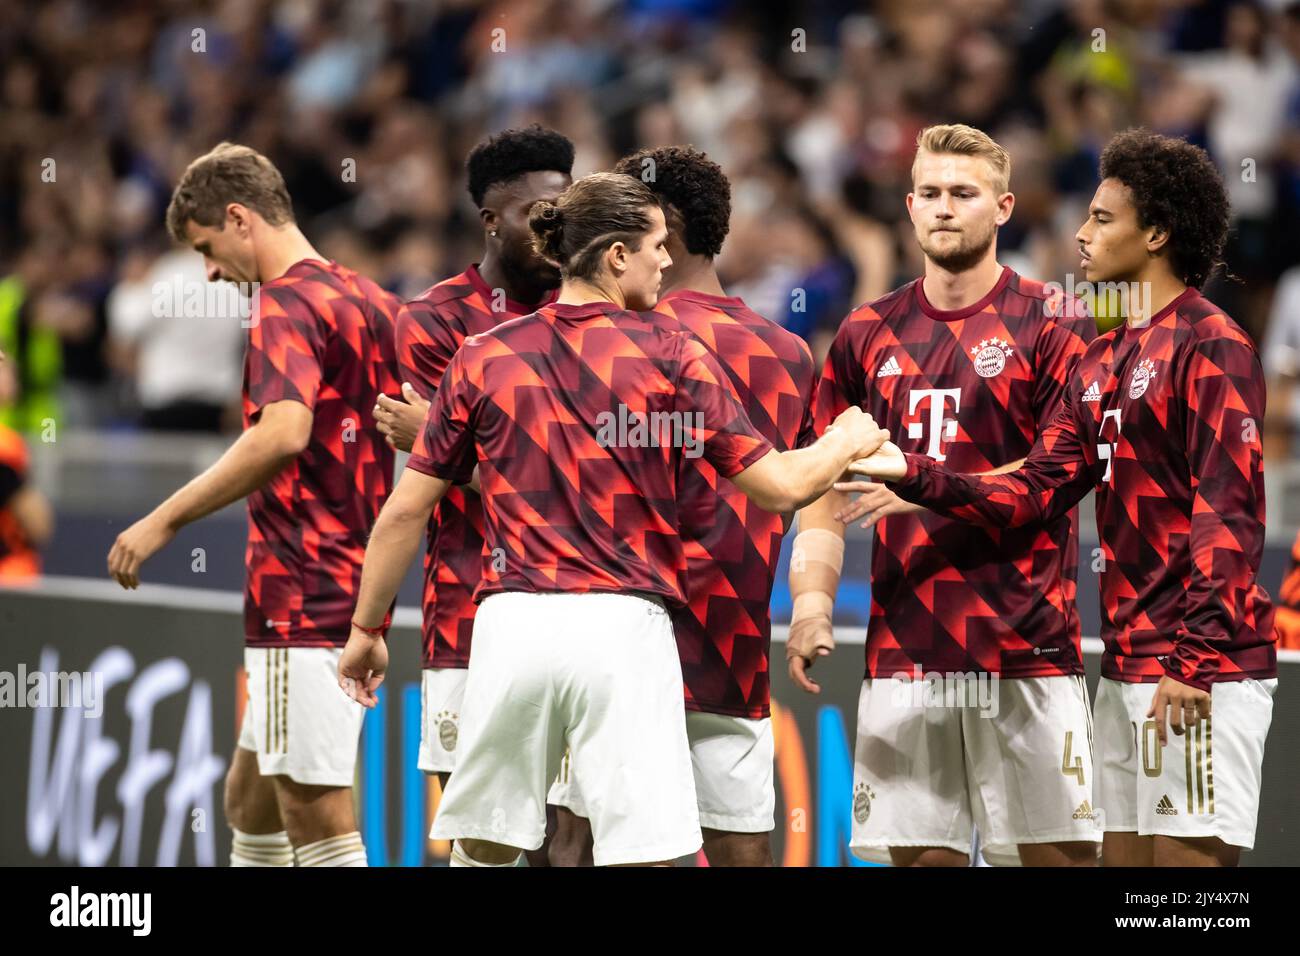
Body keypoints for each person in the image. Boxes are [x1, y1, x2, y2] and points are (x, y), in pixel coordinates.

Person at [337, 171, 889, 867]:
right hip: (622, 631)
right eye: (656, 246)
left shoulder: (484, 354)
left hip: (508, 627)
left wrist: (365, 631)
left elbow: (402, 513)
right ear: (617, 255)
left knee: (484, 847)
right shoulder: (669, 351)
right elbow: (779, 487)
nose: (666, 261)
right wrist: (844, 437)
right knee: (647, 854)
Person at [850, 129, 1278, 867]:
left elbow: (1228, 511)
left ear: (1157, 233)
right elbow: (1034, 489)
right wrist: (914, 474)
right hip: (1126, 666)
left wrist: (1196, 658)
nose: (1080, 234)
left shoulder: (1212, 344)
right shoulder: (1107, 357)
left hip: (1204, 668)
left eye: (1103, 219)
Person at [788, 124, 1099, 867]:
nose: (944, 208)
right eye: (930, 193)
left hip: (1026, 648)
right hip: (906, 651)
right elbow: (821, 489)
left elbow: (1047, 483)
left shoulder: (1057, 320)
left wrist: (921, 486)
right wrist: (810, 605)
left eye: (963, 193)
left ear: (1003, 208)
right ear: (909, 205)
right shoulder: (865, 333)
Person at [107, 143, 402, 868]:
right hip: (349, 584)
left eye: (208, 249)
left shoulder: (283, 301)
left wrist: (162, 519)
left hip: (300, 590)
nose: (209, 271)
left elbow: (283, 432)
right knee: (250, 799)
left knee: (318, 815)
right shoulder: (370, 298)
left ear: (240, 219)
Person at [545, 146, 818, 867]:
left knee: (579, 839)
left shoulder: (604, 342)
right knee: (738, 845)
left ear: (657, 228)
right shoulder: (790, 352)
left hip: (619, 632)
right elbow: (800, 487)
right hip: (732, 640)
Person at [371, 128, 574, 861]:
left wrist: (447, 441)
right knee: (471, 832)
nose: (555, 228)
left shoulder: (593, 314)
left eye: (566, 210)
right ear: (491, 220)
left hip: (580, 608)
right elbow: (444, 480)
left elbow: (605, 473)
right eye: (537, 212)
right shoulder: (432, 321)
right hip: (467, 604)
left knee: (568, 837)